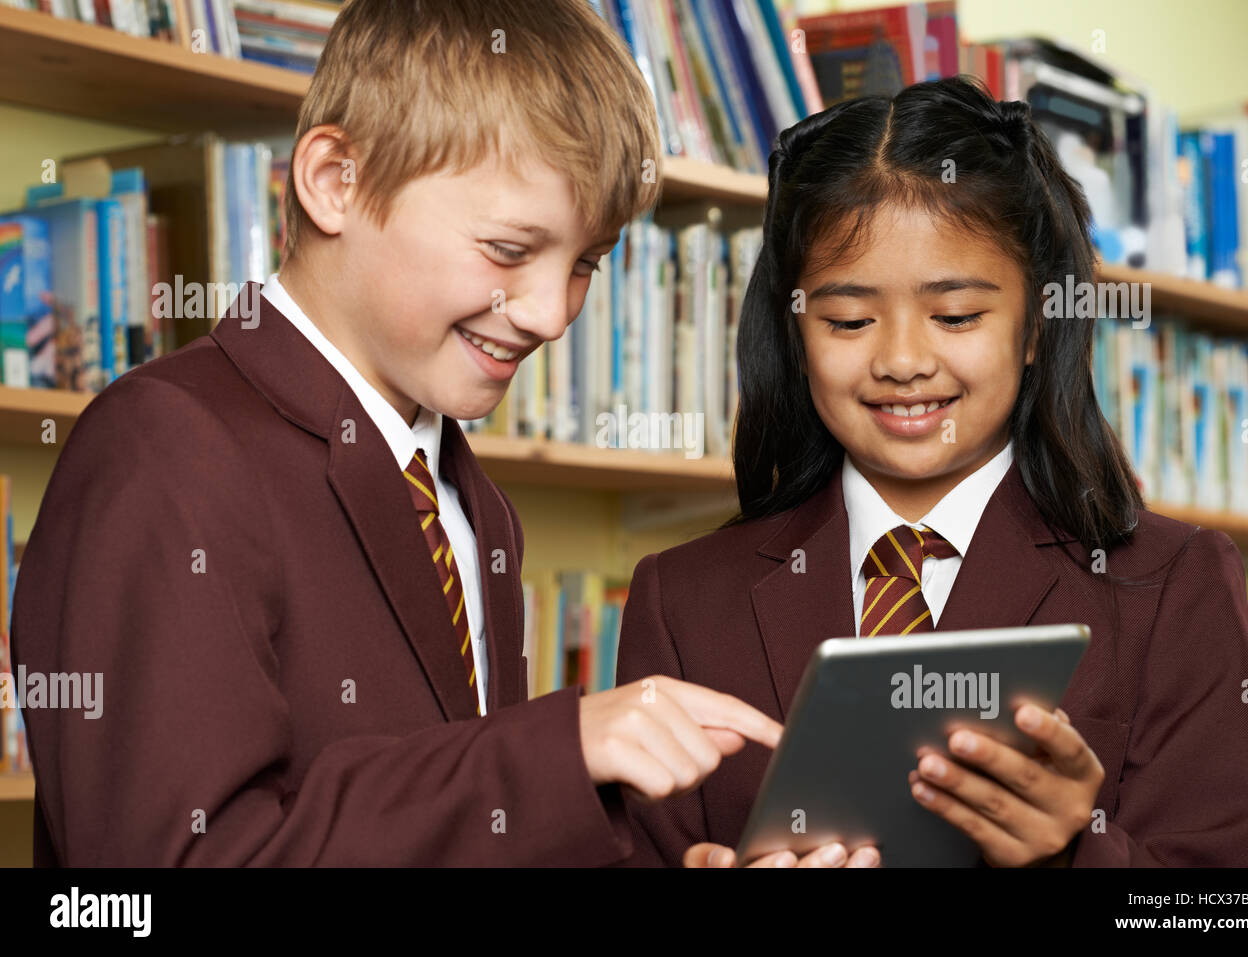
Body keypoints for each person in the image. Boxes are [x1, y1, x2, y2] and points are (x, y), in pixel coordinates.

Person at [11, 0, 782, 866]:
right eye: (505, 249)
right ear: (336, 181)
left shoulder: (474, 503)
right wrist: (553, 751)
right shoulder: (163, 447)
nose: (551, 313)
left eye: (584, 265)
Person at [614, 76, 1248, 868]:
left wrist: (1076, 849)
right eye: (849, 320)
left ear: (1036, 325)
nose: (902, 361)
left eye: (957, 315)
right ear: (795, 332)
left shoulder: (1173, 585)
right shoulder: (682, 600)